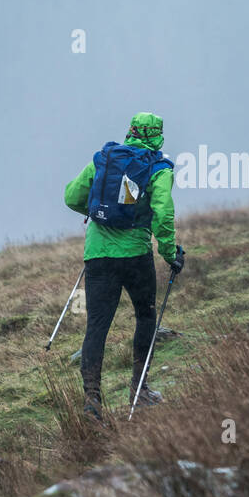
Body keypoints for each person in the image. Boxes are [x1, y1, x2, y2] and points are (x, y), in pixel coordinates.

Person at [64, 113, 183, 419]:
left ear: (130, 132)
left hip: (98, 255)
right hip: (135, 255)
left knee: (97, 327)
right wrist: (170, 253)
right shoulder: (159, 168)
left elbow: (72, 196)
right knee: (145, 317)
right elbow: (163, 214)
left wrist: (96, 212)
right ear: (158, 136)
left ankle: (92, 402)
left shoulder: (103, 159)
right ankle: (139, 391)